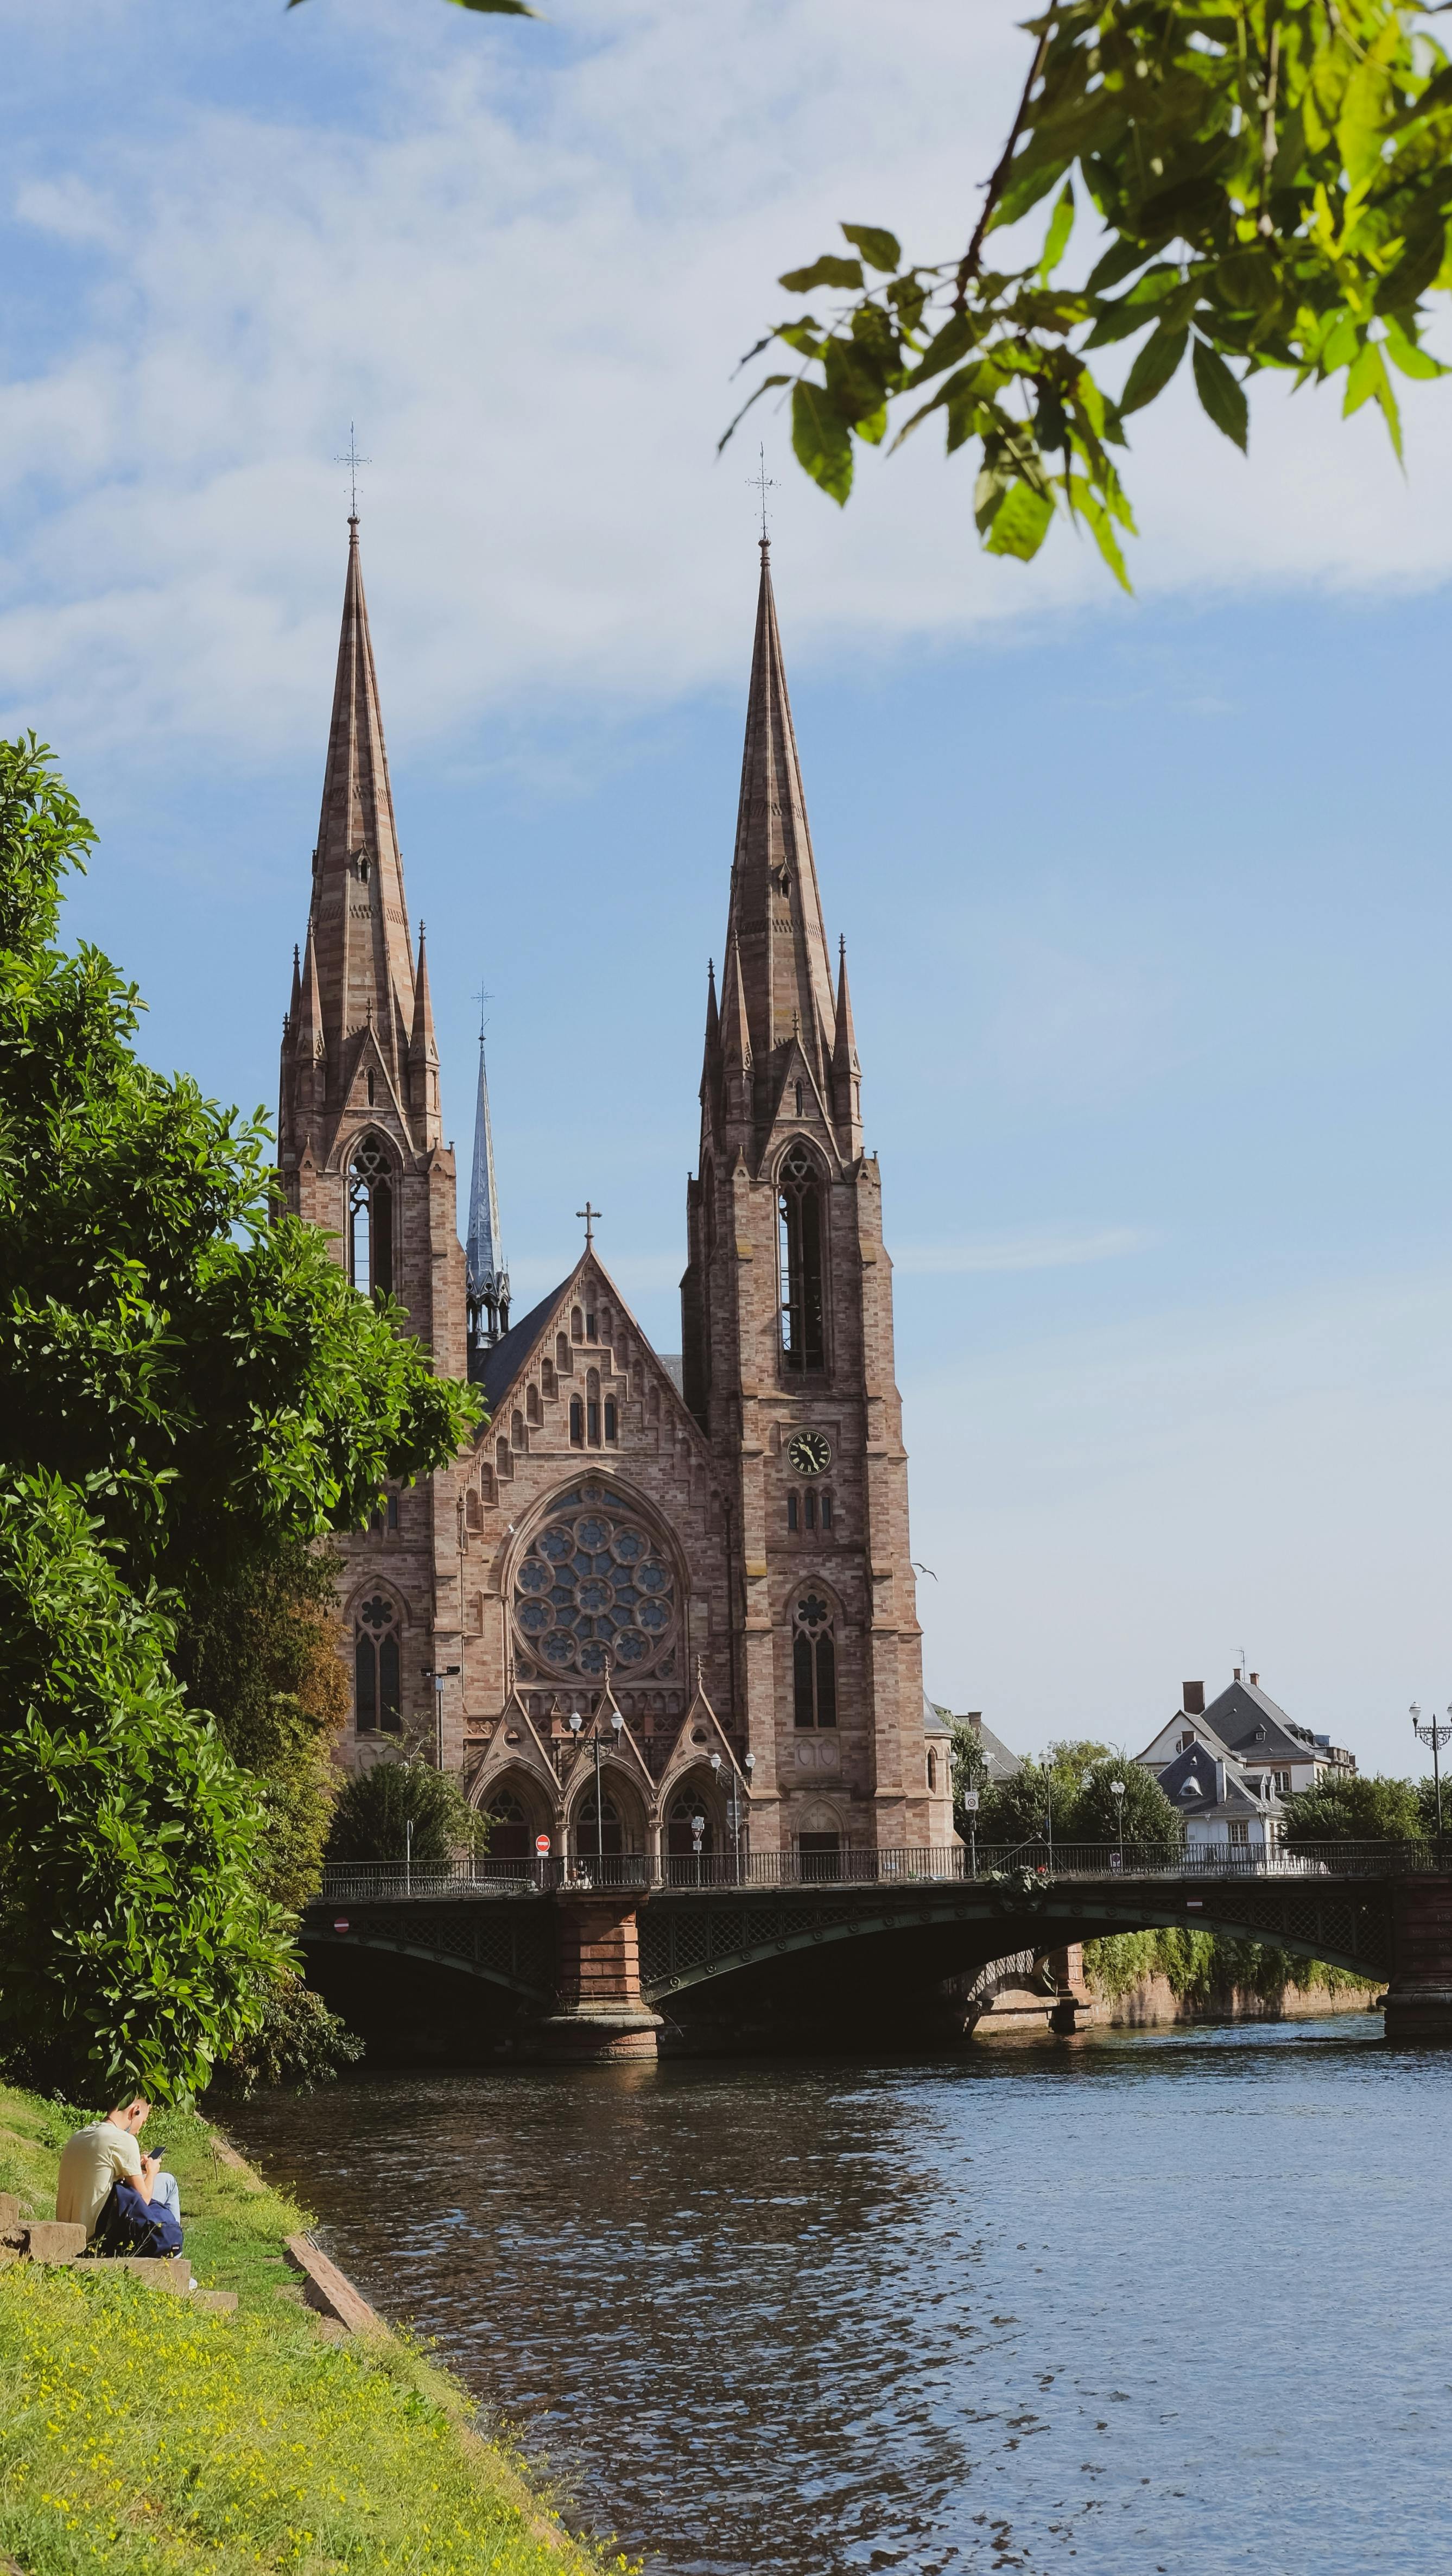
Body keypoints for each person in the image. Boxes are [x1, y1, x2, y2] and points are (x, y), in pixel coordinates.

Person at [56, 2097, 183, 2255]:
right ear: (135, 2111)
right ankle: (174, 2254)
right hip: (95, 2237)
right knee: (168, 2182)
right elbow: (144, 2199)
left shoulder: (80, 2135)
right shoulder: (124, 2140)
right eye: (143, 2121)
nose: (139, 2129)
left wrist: (136, 2168)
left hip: (65, 2233)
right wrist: (152, 2171)